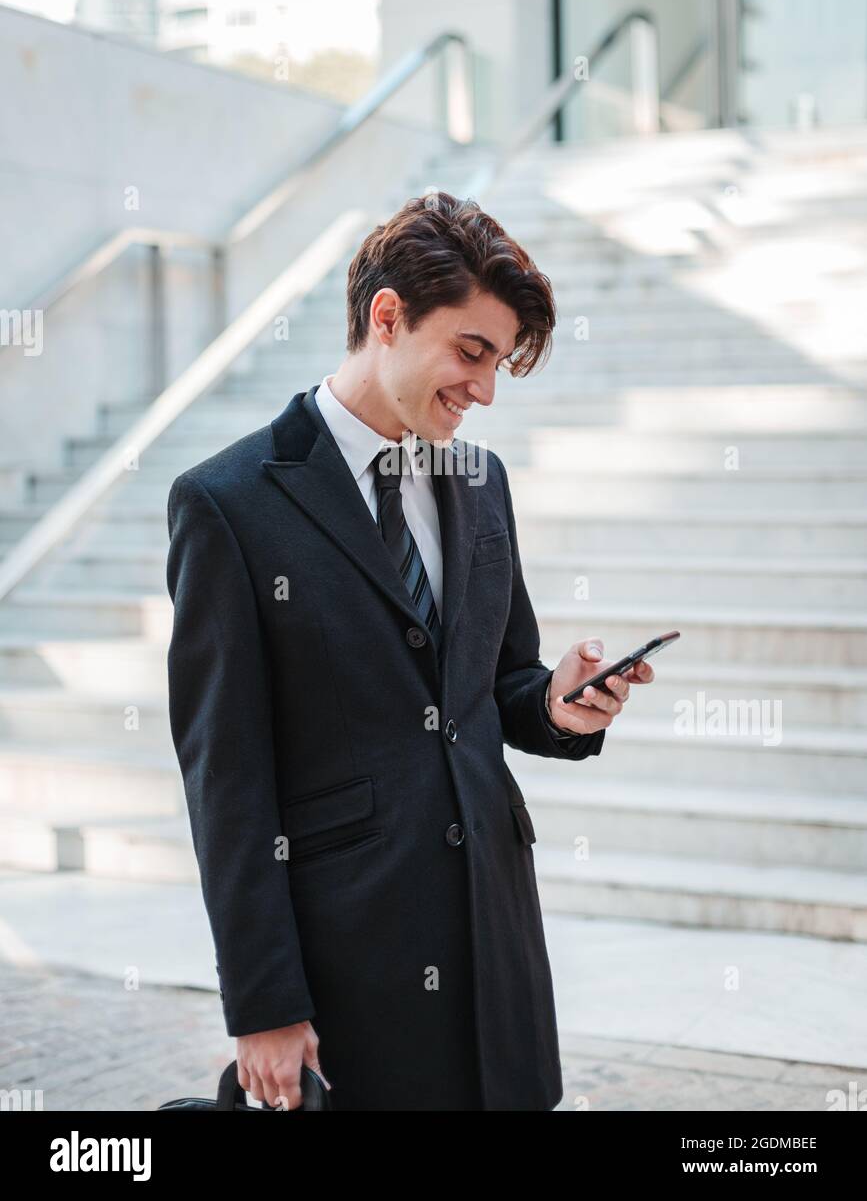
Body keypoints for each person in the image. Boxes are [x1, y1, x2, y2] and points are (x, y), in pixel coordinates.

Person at [165, 191, 654, 1111]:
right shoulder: (227, 504)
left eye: (500, 363)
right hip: (352, 957)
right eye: (471, 353)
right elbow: (225, 779)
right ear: (385, 317)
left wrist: (557, 703)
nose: (486, 389)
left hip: (495, 941)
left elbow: (502, 679)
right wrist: (264, 1002)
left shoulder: (481, 478)